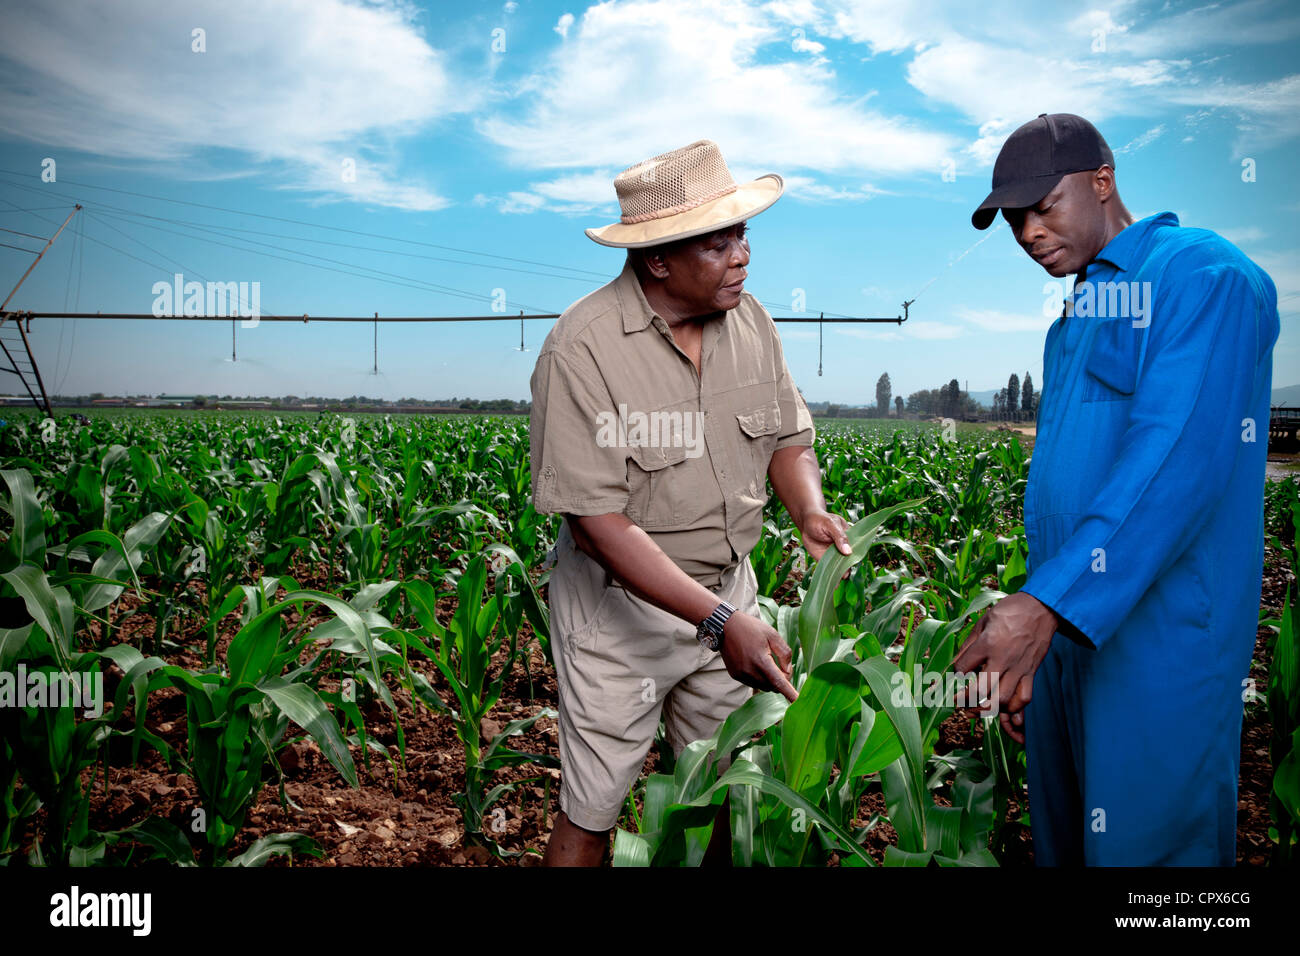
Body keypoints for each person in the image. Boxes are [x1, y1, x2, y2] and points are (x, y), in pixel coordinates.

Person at [955, 113, 1280, 865]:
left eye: (1044, 206)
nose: (1029, 232)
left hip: (1159, 643)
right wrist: (1042, 644)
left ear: (1103, 181)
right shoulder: (1077, 314)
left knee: (1150, 855)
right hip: (1068, 637)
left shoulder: (1203, 277)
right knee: (1069, 845)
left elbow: (1172, 465)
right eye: (1014, 219)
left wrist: (1042, 608)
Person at [529, 140, 852, 866]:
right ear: (658, 260)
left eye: (743, 235)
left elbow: (788, 439)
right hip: (619, 617)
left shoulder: (752, 323)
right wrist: (718, 622)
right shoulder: (580, 352)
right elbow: (596, 525)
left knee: (721, 787)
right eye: (720, 242)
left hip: (728, 593)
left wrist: (807, 509)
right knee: (593, 807)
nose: (743, 256)